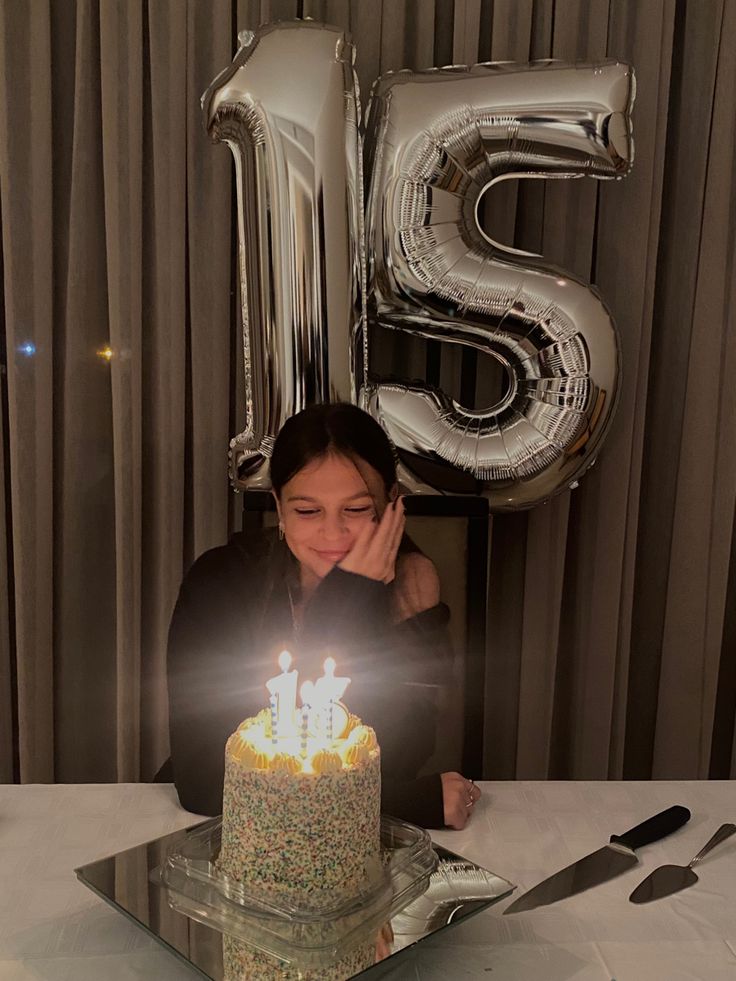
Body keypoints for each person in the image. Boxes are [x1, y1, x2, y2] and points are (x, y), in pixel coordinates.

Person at [163, 403, 481, 828]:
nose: (333, 534)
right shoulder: (220, 581)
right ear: (278, 505)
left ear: (392, 506)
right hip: (210, 836)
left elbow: (396, 756)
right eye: (308, 511)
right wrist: (347, 594)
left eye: (355, 509)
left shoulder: (412, 585)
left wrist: (359, 600)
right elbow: (205, 783)